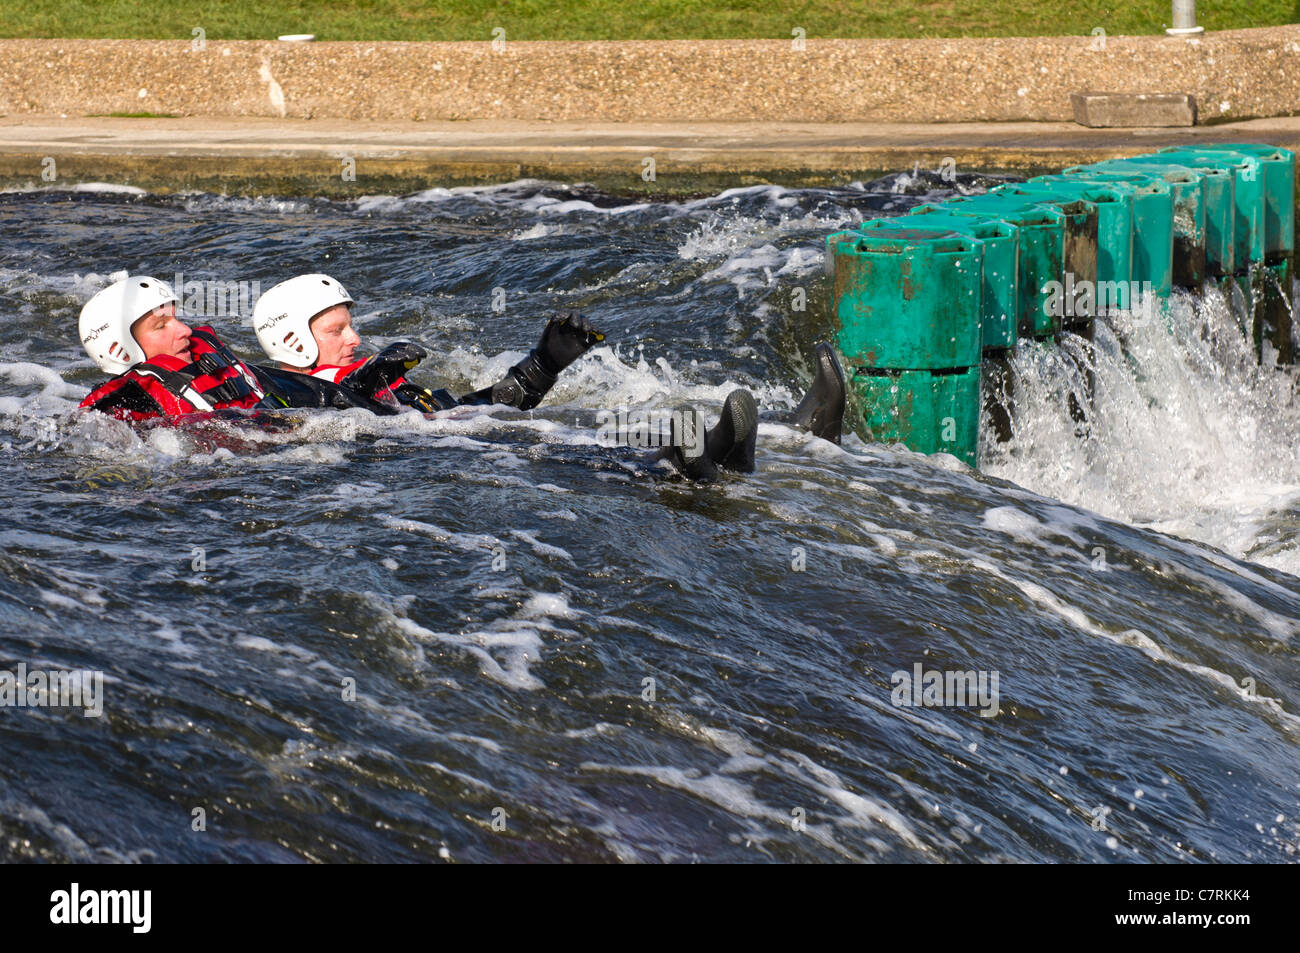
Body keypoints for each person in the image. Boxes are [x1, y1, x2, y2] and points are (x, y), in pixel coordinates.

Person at [252, 272, 847, 482]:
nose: (354, 338)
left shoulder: (363, 375)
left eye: (351, 325)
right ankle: (700, 459)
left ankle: (788, 438)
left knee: (587, 420)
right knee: (574, 443)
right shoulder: (303, 396)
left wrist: (544, 364)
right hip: (449, 460)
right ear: (292, 340)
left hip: (467, 435)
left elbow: (485, 405)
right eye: (336, 330)